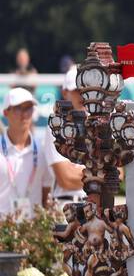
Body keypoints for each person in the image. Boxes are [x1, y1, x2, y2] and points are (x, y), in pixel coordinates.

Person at [1, 87, 83, 219]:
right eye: (17, 108)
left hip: (33, 231)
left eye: (28, 108)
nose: (24, 114)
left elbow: (45, 195)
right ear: (5, 112)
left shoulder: (40, 151)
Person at [48, 69, 89, 207]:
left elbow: (118, 175)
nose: (83, 95)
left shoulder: (99, 124)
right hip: (65, 204)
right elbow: (66, 179)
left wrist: (77, 172)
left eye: (86, 89)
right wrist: (98, 173)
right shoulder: (55, 127)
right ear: (65, 92)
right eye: (77, 90)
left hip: (95, 205)